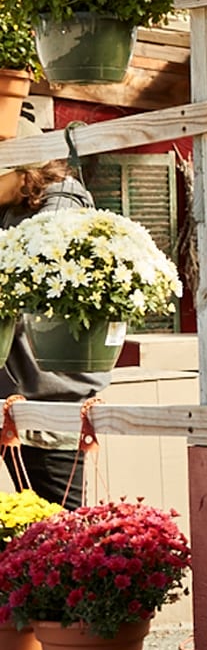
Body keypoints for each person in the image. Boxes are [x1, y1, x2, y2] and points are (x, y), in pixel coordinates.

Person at [0, 160, 105, 510]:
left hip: (49, 395)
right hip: (19, 393)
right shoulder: (14, 208)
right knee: (39, 521)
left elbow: (29, 290)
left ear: (23, 171)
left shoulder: (60, 211)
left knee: (60, 519)